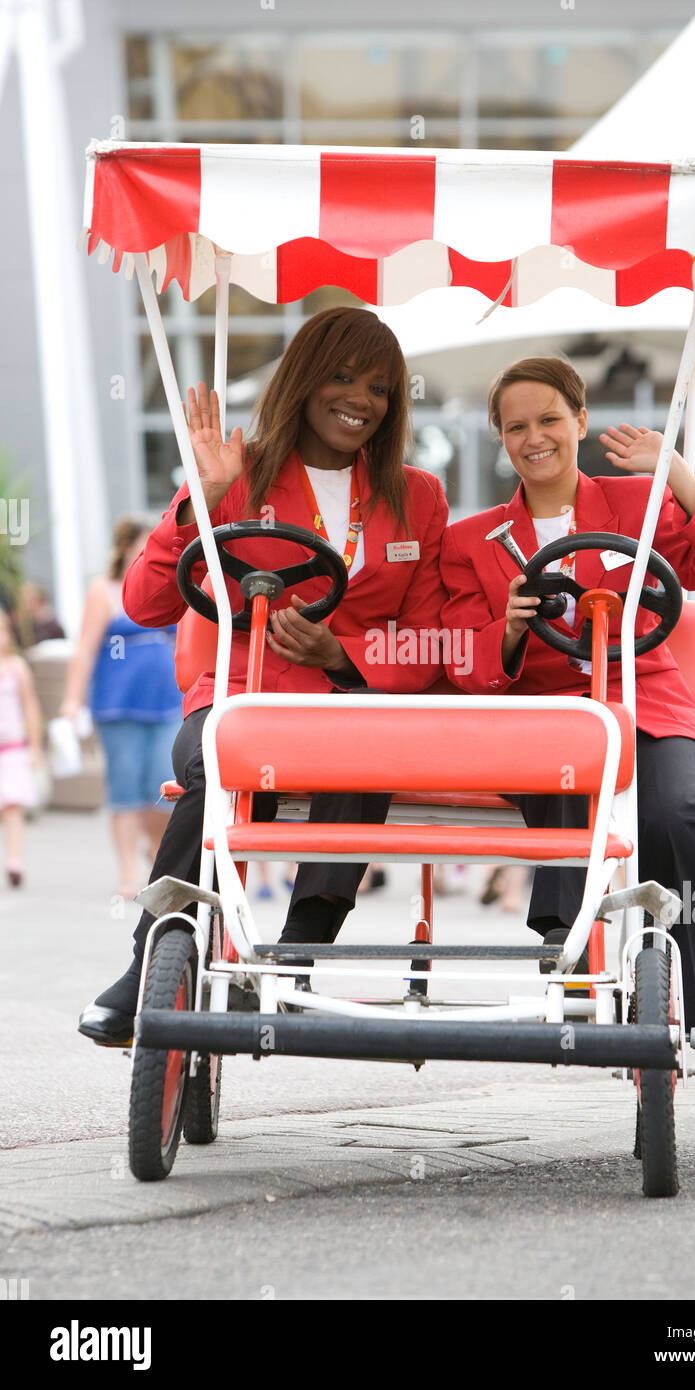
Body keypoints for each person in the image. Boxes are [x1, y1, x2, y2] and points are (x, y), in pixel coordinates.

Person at [79, 307, 448, 1046]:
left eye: (379, 386)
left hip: (349, 704)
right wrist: (203, 500)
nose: (361, 399)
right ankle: (151, 953)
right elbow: (145, 603)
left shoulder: (419, 496)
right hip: (241, 697)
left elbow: (432, 641)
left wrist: (344, 658)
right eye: (342, 377)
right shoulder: (238, 473)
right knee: (215, 764)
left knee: (367, 753)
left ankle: (300, 951)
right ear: (304, 381)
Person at [440, 355, 695, 1107]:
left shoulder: (639, 500)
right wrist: (508, 630)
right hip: (540, 720)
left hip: (646, 706)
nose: (535, 438)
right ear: (500, 438)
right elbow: (465, 662)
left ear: (580, 421)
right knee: (570, 760)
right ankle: (566, 943)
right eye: (516, 426)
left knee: (680, 814)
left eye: (550, 420)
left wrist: (675, 469)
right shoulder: (471, 540)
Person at [61, 518, 183, 898]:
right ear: (127, 548)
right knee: (126, 787)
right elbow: (85, 649)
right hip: (119, 705)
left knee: (166, 787)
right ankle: (128, 873)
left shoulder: (171, 587)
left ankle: (155, 848)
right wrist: (72, 700)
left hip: (168, 703)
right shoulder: (105, 591)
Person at [0, 609, 43, 885]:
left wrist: (35, 746)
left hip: (12, 748)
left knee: (13, 807)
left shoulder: (16, 668)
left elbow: (30, 708)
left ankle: (14, 860)